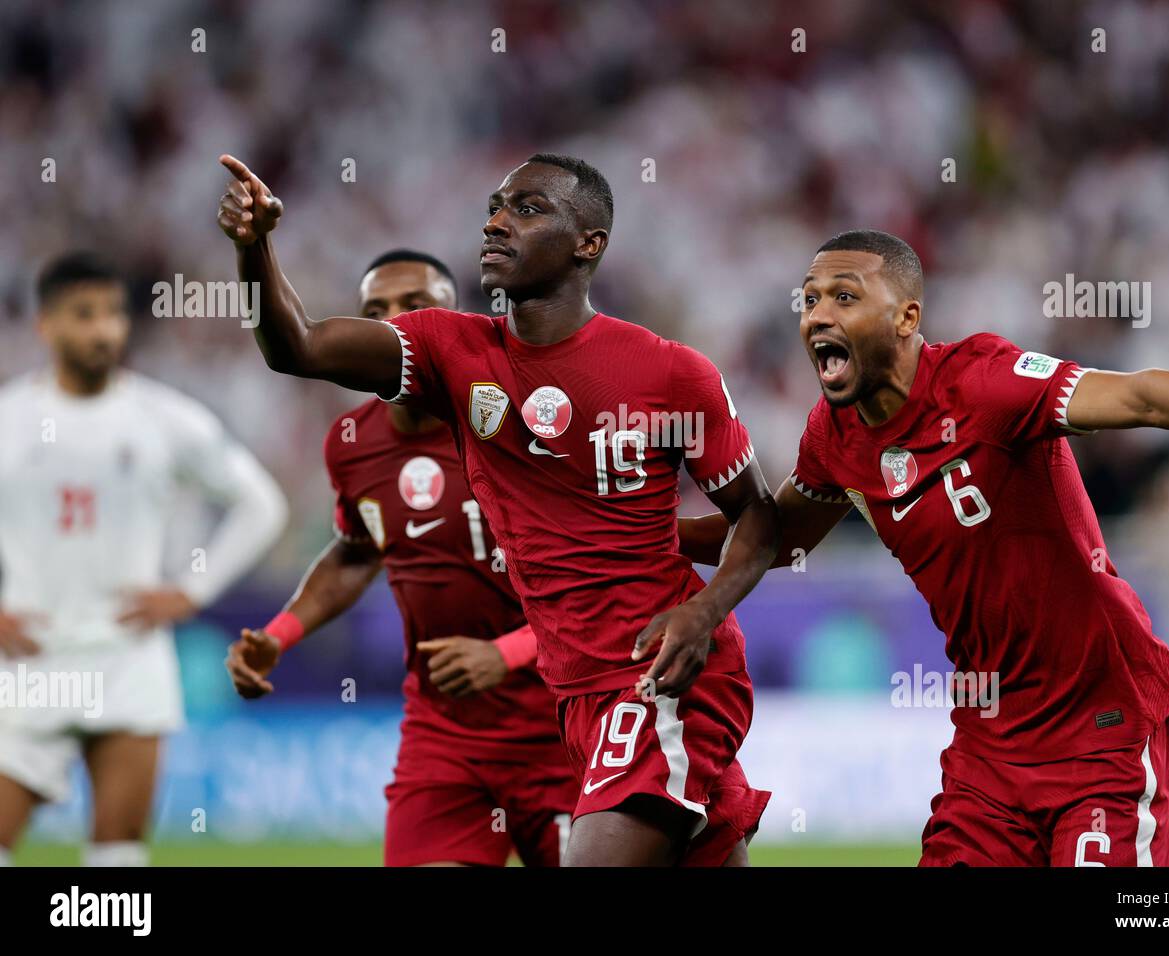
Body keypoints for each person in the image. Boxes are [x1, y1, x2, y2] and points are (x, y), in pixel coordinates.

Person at [215, 152, 778, 866]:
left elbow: (757, 522)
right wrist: (254, 247)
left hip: (656, 676)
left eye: (528, 209)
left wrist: (700, 616)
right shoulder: (452, 349)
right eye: (494, 207)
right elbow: (296, 346)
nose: (497, 222)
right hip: (572, 694)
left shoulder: (669, 372)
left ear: (589, 244)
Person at [679, 229, 1169, 866]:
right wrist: (644, 531)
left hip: (1102, 726)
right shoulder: (834, 436)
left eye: (843, 297)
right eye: (809, 301)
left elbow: (1137, 395)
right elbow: (773, 538)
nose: (818, 316)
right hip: (990, 748)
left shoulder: (986, 384)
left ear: (906, 317)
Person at [225, 248, 577, 866]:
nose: (396, 324)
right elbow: (358, 552)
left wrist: (506, 653)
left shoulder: (524, 428)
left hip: (564, 726)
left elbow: (595, 579)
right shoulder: (353, 444)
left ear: (453, 319)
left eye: (416, 307)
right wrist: (280, 635)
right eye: (376, 311)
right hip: (446, 736)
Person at [0, 251, 287, 866]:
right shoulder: (10, 421)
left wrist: (192, 589)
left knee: (117, 860)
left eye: (112, 314)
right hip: (27, 662)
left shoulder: (163, 418)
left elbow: (262, 503)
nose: (103, 329)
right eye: (83, 314)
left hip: (127, 659)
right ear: (45, 325)